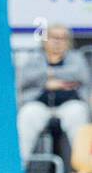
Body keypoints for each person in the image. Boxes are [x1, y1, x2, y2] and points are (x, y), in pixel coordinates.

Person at [17, 23, 90, 160]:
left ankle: (83, 172)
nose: (58, 41)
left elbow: (80, 75)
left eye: (63, 38)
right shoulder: (34, 58)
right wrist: (48, 84)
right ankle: (19, 170)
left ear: (68, 42)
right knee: (27, 115)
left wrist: (49, 77)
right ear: (44, 40)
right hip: (39, 103)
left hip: (70, 104)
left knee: (78, 113)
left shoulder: (76, 58)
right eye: (54, 37)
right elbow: (24, 79)